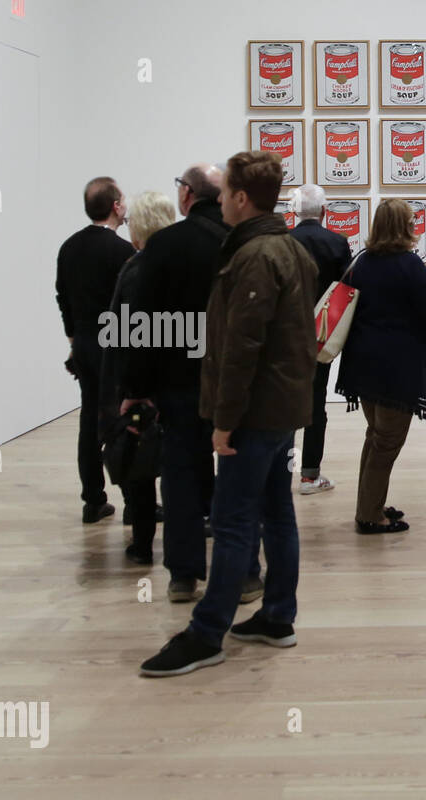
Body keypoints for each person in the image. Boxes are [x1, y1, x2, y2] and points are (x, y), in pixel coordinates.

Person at [140, 151, 318, 677]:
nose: (218, 201)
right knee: (276, 513)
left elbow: (243, 348)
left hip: (255, 413)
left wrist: (223, 419)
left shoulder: (257, 256)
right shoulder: (287, 249)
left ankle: (206, 632)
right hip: (279, 409)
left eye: (224, 193)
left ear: (241, 198)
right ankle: (277, 616)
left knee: (234, 520)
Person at [120, 163, 242, 604]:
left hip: (178, 381)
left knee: (181, 474)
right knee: (236, 473)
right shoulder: (237, 241)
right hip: (232, 378)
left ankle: (184, 575)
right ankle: (243, 573)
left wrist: (135, 388)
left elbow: (144, 324)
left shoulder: (166, 245)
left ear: (187, 195)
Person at [335, 199, 426, 533]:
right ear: (402, 226)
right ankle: (369, 517)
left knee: (376, 437)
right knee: (385, 443)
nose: (415, 226)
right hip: (395, 371)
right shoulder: (409, 265)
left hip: (363, 367)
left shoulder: (361, 262)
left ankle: (370, 505)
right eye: (411, 221)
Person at [102, 190, 176, 564]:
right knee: (179, 466)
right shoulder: (183, 266)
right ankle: (182, 553)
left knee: (142, 467)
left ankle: (144, 544)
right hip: (178, 382)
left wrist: (130, 389)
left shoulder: (136, 270)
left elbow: (126, 335)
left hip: (144, 386)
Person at [55, 177, 134, 523]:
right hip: (115, 346)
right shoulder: (123, 252)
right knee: (126, 419)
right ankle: (136, 501)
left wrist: (73, 338)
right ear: (116, 206)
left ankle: (93, 499)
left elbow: (62, 297)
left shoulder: (69, 247)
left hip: (85, 345)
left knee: (89, 419)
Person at [289, 183, 352, 496]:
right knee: (316, 404)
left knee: (283, 405)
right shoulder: (337, 243)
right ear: (324, 212)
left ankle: (280, 469)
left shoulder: (282, 241)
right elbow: (345, 291)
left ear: (294, 212)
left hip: (286, 336)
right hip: (321, 334)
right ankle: (309, 475)